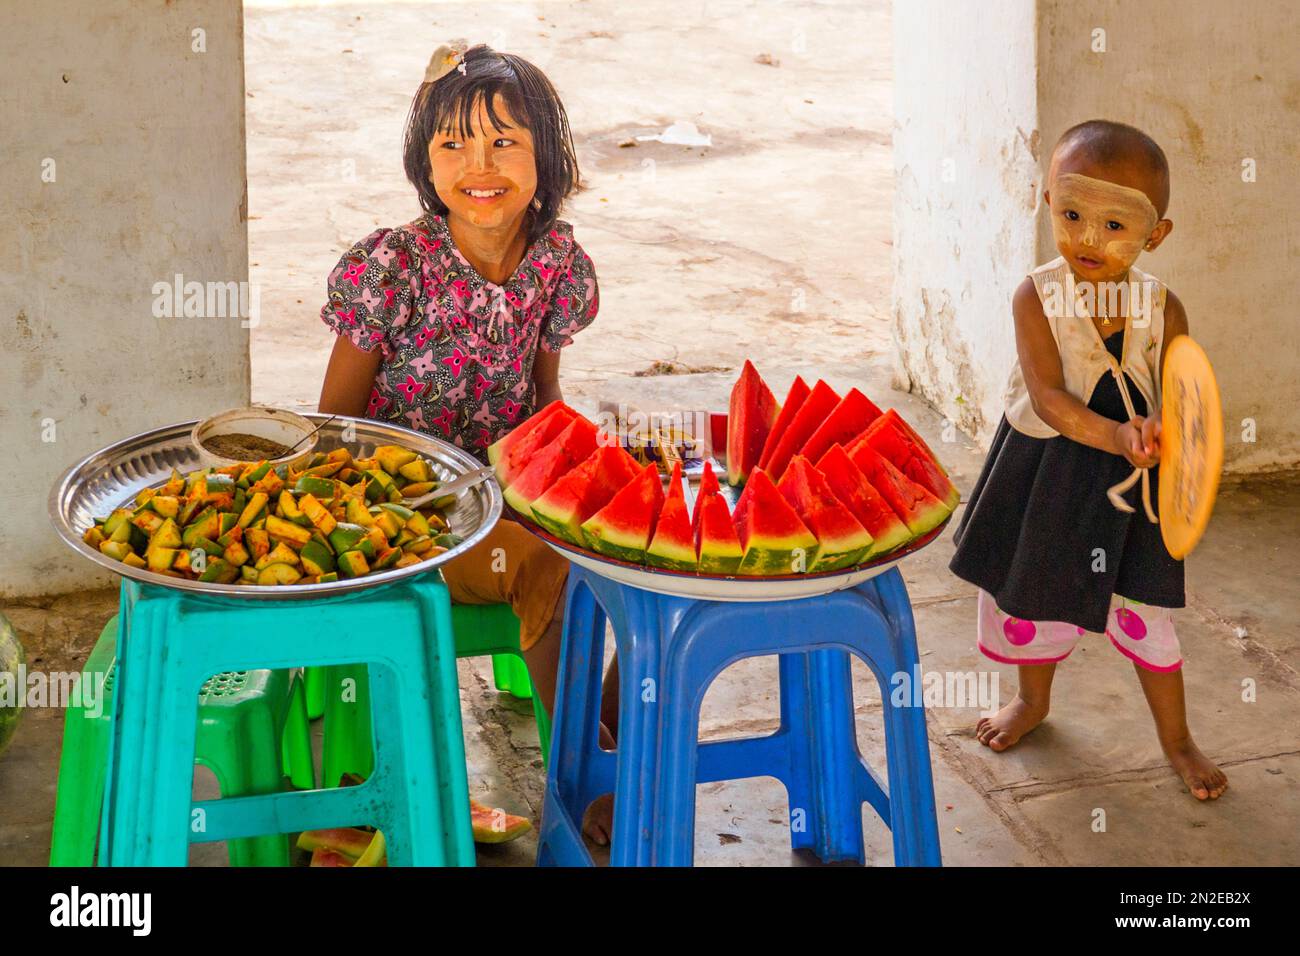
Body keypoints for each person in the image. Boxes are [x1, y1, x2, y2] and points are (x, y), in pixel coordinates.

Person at [317, 42, 618, 839]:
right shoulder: (394, 266)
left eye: (503, 141)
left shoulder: (556, 263)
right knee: (547, 564)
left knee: (636, 559)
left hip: (505, 491)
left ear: (545, 160)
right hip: (401, 516)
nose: (478, 165)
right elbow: (335, 425)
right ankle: (586, 775)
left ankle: (616, 736)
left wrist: (590, 469)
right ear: (425, 160)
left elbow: (543, 396)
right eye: (453, 143)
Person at [948, 119, 1227, 800]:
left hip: (1134, 494)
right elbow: (1047, 395)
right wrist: (1116, 437)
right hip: (1043, 474)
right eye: (1071, 214)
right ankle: (1032, 701)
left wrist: (1168, 432)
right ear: (1047, 202)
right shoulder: (1034, 297)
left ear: (1156, 235)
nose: (1087, 239)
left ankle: (1178, 739)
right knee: (1033, 595)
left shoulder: (1166, 310)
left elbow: (1179, 396)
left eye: (1114, 225)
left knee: (1146, 610)